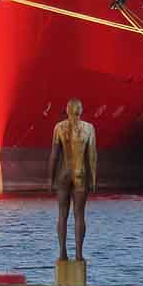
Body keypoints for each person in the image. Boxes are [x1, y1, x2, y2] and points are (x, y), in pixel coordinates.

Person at [49, 98, 97, 261]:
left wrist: (50, 178)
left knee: (62, 214)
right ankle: (78, 254)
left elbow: (54, 156)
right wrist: (94, 179)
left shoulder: (59, 128)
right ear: (80, 111)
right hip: (80, 174)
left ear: (67, 110)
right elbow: (92, 156)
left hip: (63, 174)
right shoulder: (88, 128)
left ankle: (62, 253)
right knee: (79, 215)